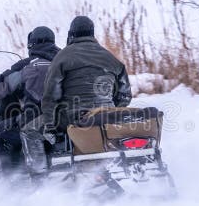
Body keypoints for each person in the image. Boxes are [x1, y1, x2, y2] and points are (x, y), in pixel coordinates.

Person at [21, 16, 132, 175]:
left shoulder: (62, 57)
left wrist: (51, 126)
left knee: (29, 131)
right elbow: (125, 95)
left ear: (71, 34)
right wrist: (111, 110)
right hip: (106, 115)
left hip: (72, 116)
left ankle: (40, 177)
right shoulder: (111, 58)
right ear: (92, 33)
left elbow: (50, 97)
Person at [0, 26, 60, 143]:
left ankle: (21, 155)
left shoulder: (28, 65)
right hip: (64, 117)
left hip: (36, 119)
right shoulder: (63, 62)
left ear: (32, 44)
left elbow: (2, 85)